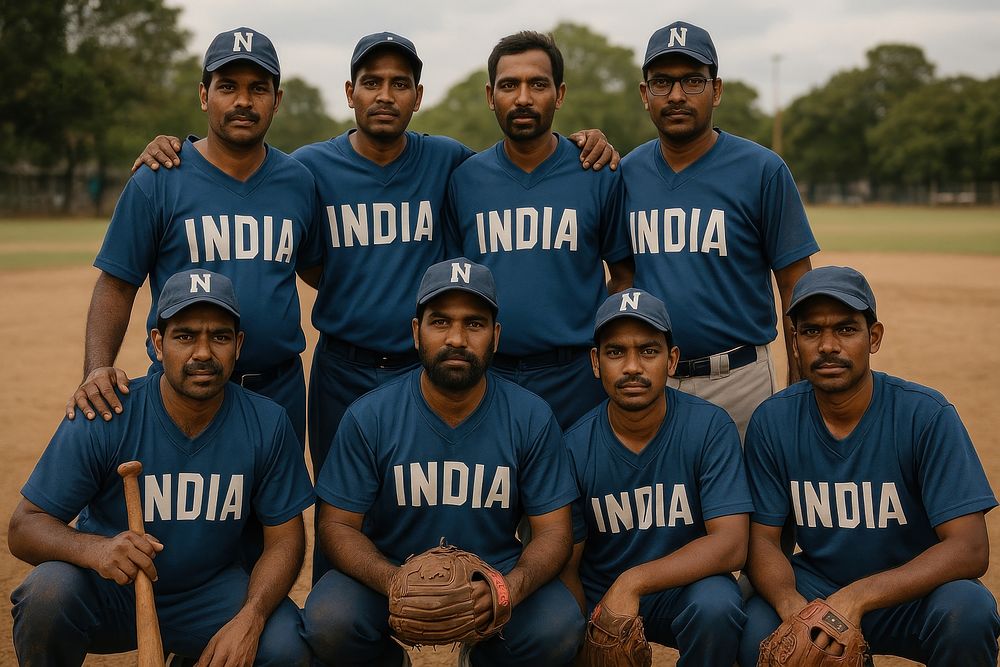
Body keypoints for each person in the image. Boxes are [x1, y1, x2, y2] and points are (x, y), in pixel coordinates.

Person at [131, 30, 618, 581]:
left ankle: (469, 614)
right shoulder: (309, 169)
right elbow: (305, 254)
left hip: (425, 369)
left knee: (443, 503)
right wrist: (173, 145)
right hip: (343, 367)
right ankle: (339, 627)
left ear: (417, 95)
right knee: (338, 513)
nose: (385, 95)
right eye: (372, 82)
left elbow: (515, 166)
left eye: (399, 84)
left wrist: (589, 140)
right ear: (350, 91)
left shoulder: (450, 162)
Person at [9, 270, 314, 665]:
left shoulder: (267, 422)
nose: (202, 352)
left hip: (208, 595)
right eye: (184, 336)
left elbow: (285, 540)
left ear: (237, 345)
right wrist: (97, 550)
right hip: (111, 589)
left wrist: (251, 618)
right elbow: (25, 526)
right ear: (157, 343)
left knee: (286, 646)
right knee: (46, 595)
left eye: (219, 336)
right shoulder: (107, 412)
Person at [300, 258, 584, 666]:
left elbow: (555, 533)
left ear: (495, 336)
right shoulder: (370, 415)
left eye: (474, 323)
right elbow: (337, 525)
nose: (457, 338)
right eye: (440, 322)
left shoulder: (531, 416)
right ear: (417, 333)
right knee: (329, 618)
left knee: (557, 625)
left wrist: (505, 589)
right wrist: (393, 581)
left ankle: (483, 656)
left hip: (491, 576)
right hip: (392, 576)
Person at [66, 27, 323, 447]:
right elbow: (116, 283)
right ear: (204, 96)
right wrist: (97, 368)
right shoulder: (159, 179)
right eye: (228, 87)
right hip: (182, 394)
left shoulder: (299, 181)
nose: (243, 101)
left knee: (277, 513)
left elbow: (316, 267)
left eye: (258, 88)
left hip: (279, 390)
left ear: (277, 100)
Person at [739, 265, 1000, 666]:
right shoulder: (773, 421)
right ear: (794, 343)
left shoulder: (924, 415)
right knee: (757, 622)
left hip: (909, 593)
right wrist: (793, 606)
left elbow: (970, 548)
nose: (828, 345)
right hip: (818, 589)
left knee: (968, 609)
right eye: (811, 331)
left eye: (846, 329)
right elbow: (762, 540)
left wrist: (857, 597)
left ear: (873, 338)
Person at [621, 21, 819, 438]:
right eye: (662, 82)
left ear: (717, 89)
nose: (677, 95)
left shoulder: (762, 170)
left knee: (752, 503)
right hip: (653, 385)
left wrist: (800, 388)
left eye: (693, 80)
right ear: (645, 95)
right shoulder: (625, 173)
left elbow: (795, 287)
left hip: (741, 380)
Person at [445, 30, 634, 430]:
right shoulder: (464, 180)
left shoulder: (597, 173)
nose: (524, 98)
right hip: (489, 379)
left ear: (560, 94)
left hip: (576, 378)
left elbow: (624, 275)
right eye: (509, 85)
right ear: (490, 96)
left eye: (538, 84)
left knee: (580, 490)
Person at [560, 288, 751, 664]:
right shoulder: (574, 446)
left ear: (672, 359)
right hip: (603, 595)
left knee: (718, 606)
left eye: (648, 351)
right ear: (596, 362)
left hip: (682, 590)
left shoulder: (709, 427)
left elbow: (731, 544)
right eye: (616, 352)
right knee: (556, 620)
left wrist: (633, 582)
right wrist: (584, 632)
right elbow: (567, 565)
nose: (632, 367)